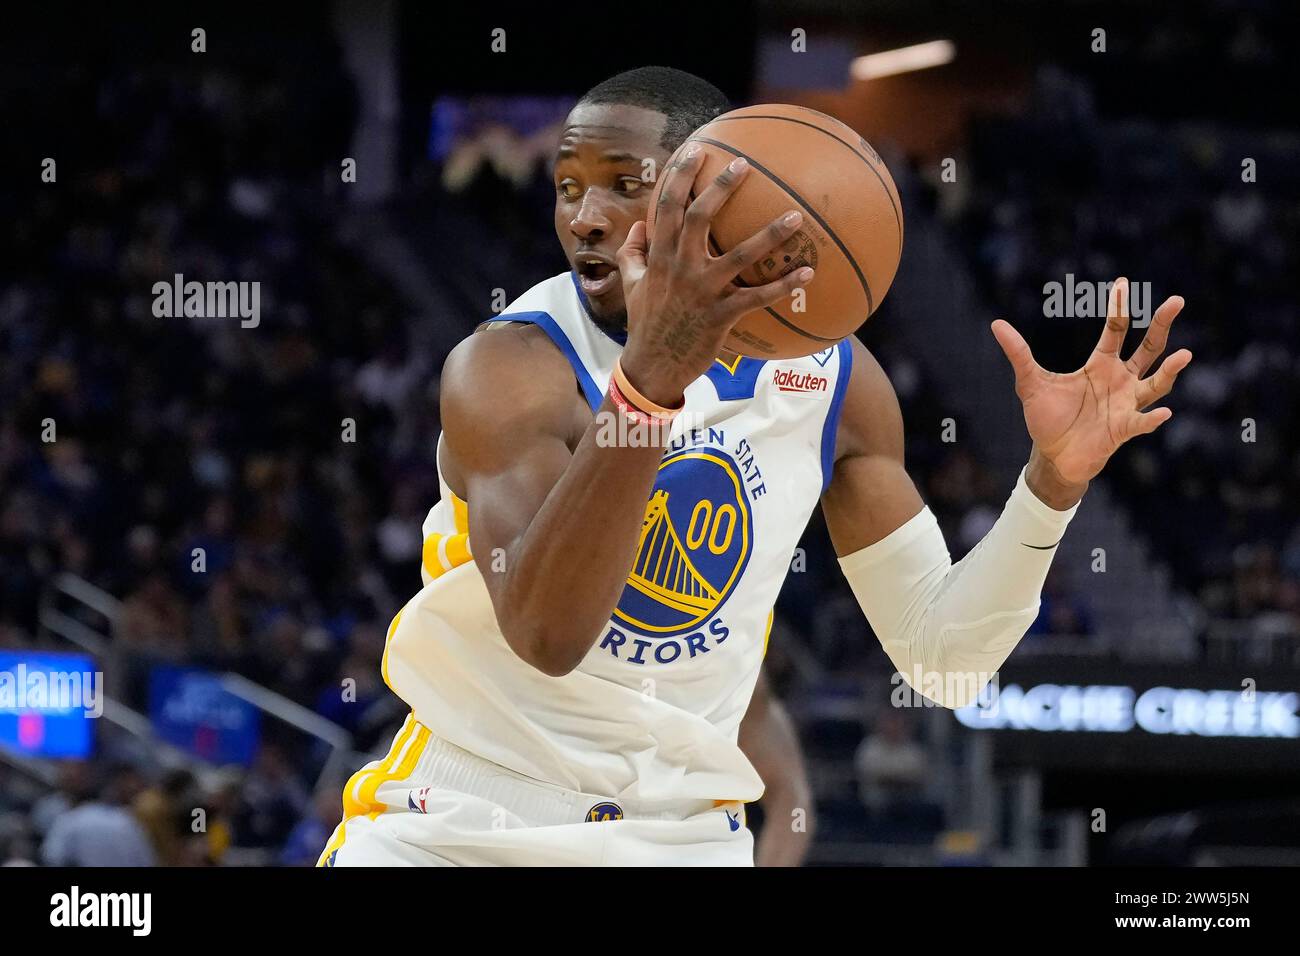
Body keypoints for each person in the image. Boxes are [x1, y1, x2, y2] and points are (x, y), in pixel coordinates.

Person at [322, 66, 1190, 867]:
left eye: (626, 185)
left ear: (723, 192)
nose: (584, 217)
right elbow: (550, 634)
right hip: (466, 824)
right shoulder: (514, 367)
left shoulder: (837, 383)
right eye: (568, 186)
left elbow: (946, 663)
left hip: (685, 838)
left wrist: (1051, 488)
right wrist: (653, 382)